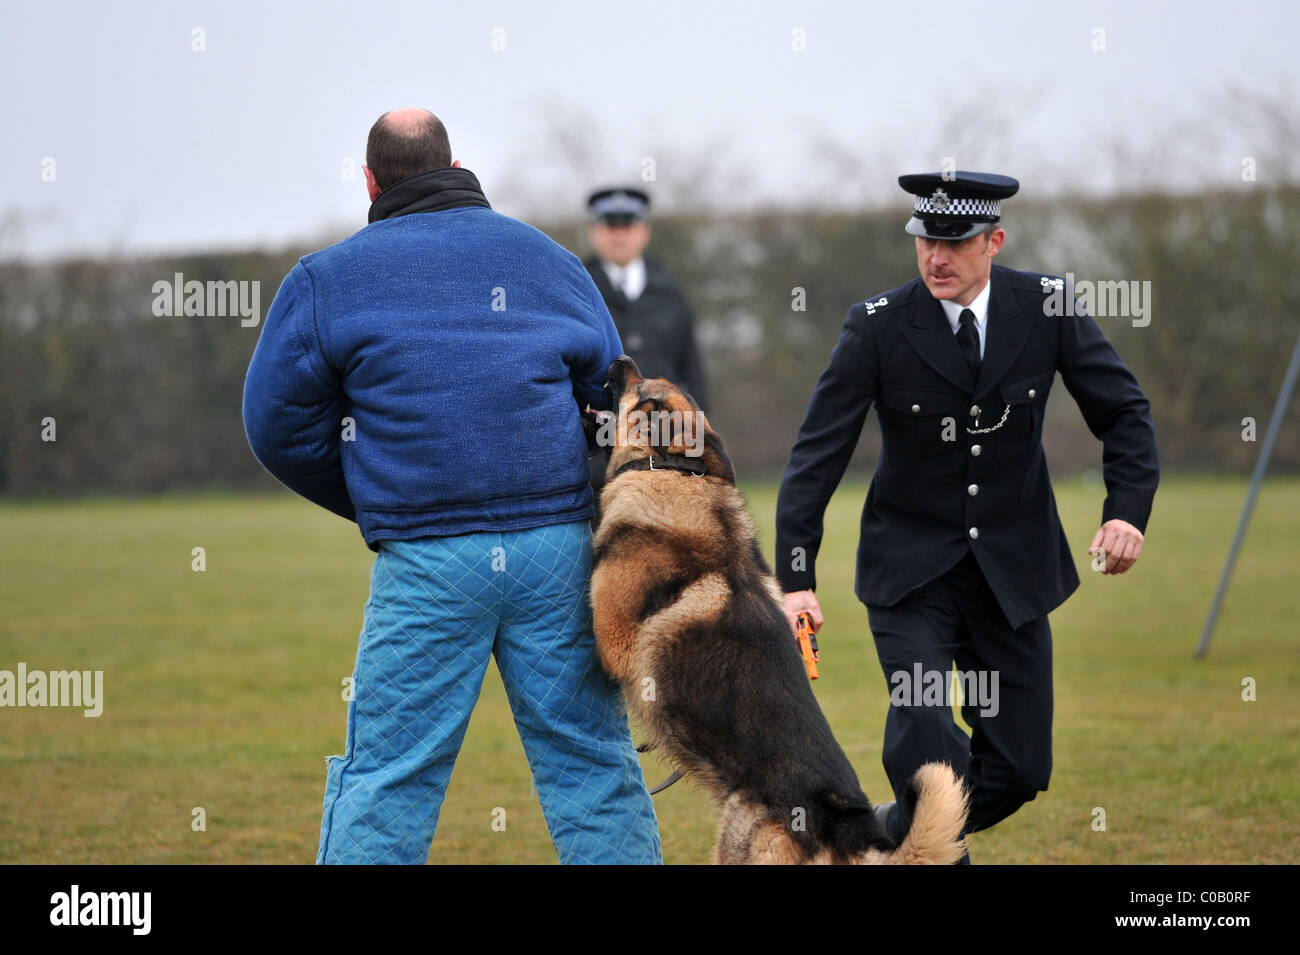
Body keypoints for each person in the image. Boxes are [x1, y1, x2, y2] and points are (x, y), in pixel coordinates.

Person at [242, 108, 661, 865]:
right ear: (458, 164)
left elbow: (275, 425)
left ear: (370, 180)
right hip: (556, 555)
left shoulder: (326, 279)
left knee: (390, 775)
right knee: (594, 767)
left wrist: (376, 495)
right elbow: (612, 404)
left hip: (428, 563)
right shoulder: (553, 262)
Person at [774, 171, 1159, 861]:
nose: (935, 258)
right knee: (929, 739)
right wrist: (796, 573)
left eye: (954, 243)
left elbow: (1125, 413)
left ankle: (886, 835)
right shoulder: (877, 326)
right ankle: (930, 842)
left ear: (995, 241)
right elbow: (815, 454)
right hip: (911, 576)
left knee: (1019, 769)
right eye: (925, 241)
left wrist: (1126, 510)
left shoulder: (1047, 306)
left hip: (1012, 575)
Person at [582, 187, 709, 515]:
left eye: (628, 225)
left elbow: (690, 370)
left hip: (667, 451)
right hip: (600, 456)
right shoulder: (578, 287)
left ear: (644, 231)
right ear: (595, 231)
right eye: (611, 226)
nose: (620, 235)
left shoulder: (670, 292)